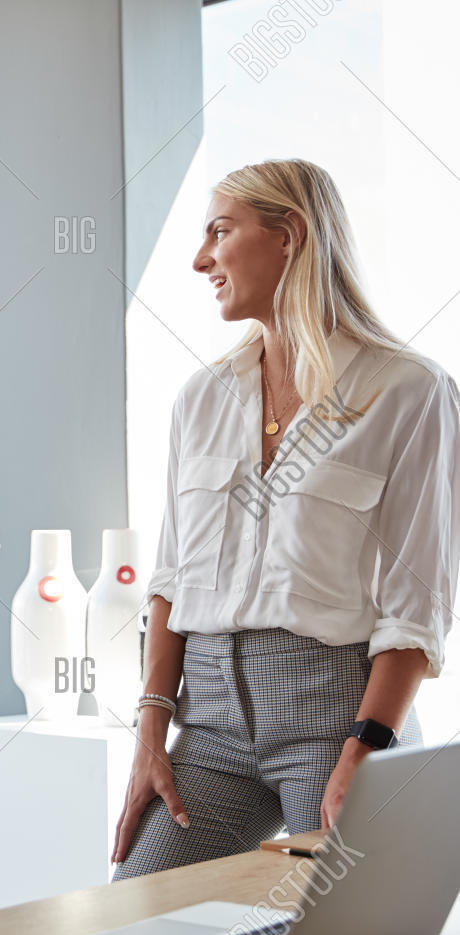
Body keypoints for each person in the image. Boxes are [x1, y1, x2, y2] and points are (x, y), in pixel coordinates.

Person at [112, 158, 459, 878]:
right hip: (207, 726)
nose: (200, 258)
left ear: (290, 236)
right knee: (133, 916)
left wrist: (368, 745)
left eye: (220, 231)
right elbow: (171, 579)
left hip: (338, 718)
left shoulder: (409, 391)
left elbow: (416, 603)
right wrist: (150, 734)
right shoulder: (199, 398)